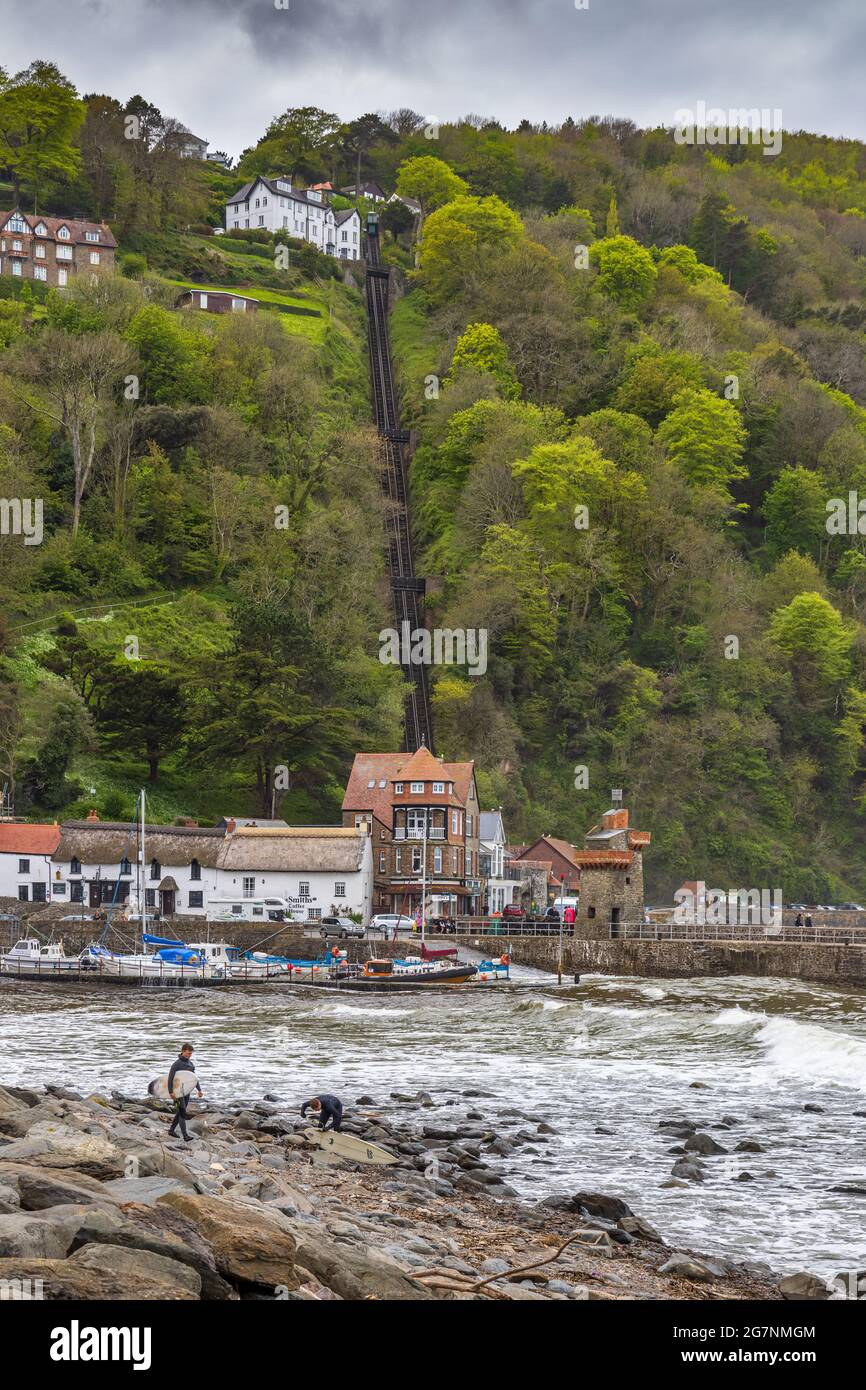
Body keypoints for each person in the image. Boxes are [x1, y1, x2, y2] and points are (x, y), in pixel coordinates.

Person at [167, 1043, 202, 1143]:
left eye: (190, 1054)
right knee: (182, 1112)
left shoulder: (190, 1064)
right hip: (177, 1093)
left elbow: (194, 1079)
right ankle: (185, 1136)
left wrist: (199, 1090)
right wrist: (170, 1092)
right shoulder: (176, 1064)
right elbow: (170, 1078)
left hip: (186, 1091)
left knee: (180, 1111)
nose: (189, 1055)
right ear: (183, 1051)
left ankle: (171, 1130)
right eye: (187, 1053)